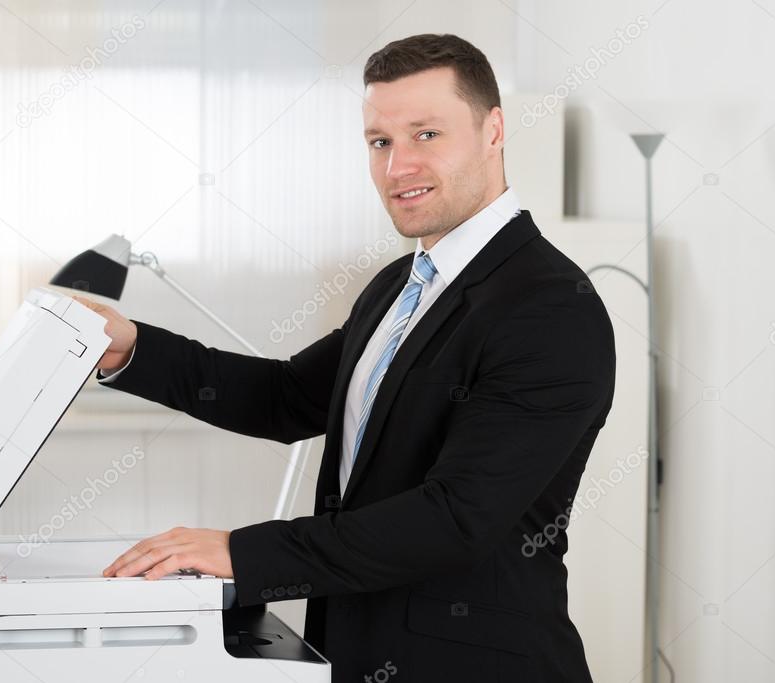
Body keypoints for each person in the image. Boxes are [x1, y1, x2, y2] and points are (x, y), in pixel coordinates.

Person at [79, 33, 615, 683]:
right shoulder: (399, 285)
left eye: (426, 135)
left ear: (493, 130)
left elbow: (455, 518)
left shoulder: (548, 306)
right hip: (360, 648)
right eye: (379, 142)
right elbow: (286, 397)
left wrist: (242, 552)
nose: (397, 167)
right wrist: (132, 348)